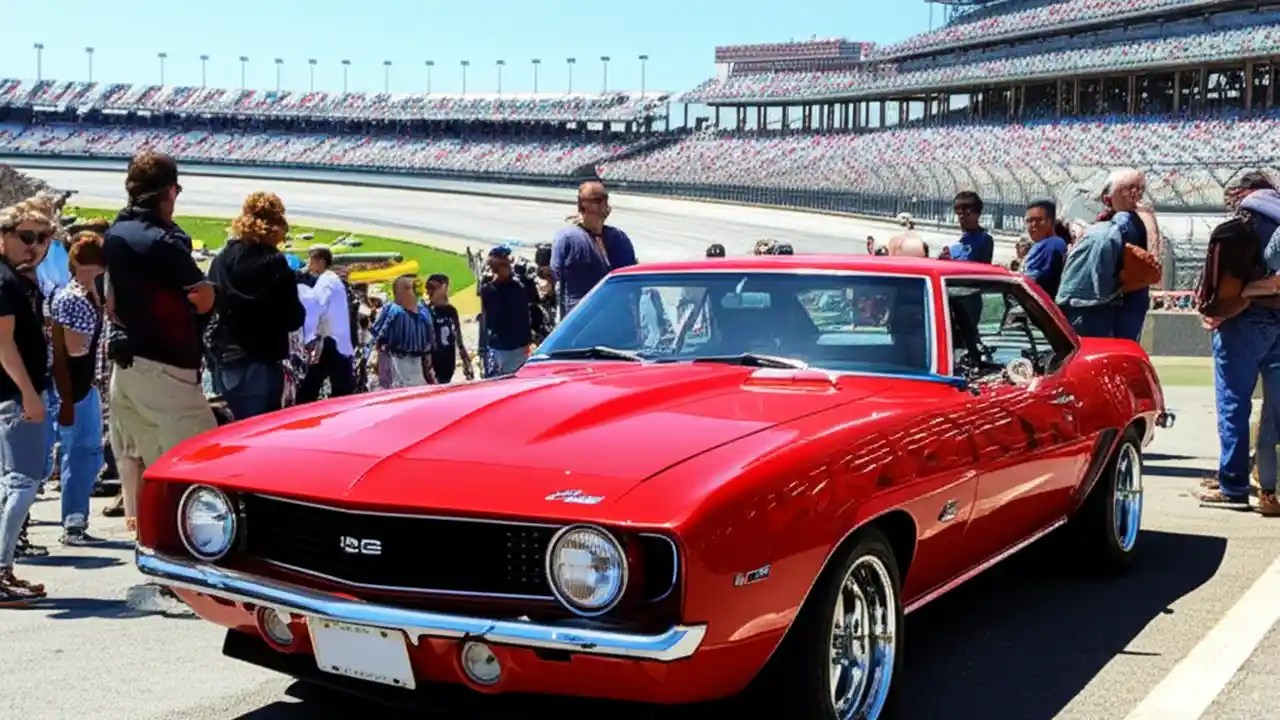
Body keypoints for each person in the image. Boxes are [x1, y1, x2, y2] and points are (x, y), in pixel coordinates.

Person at [103, 151, 217, 536]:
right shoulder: (163, 242)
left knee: (140, 464)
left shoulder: (116, 233)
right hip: (165, 368)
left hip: (127, 365)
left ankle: (149, 541)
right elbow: (202, 295)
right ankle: (182, 550)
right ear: (171, 191)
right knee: (197, 459)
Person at [205, 192, 306, 421]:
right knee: (259, 432)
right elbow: (293, 318)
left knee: (231, 431)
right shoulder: (275, 262)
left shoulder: (221, 259)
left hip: (225, 359)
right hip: (260, 361)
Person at [0, 199, 54, 604]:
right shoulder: (5, 282)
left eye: (45, 238)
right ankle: (1, 570)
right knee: (23, 483)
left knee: (14, 483)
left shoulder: (20, 280)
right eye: (27, 237)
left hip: (19, 395)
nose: (35, 246)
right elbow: (3, 345)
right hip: (16, 397)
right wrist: (28, 393)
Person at [49, 231, 108, 545]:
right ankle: (73, 521)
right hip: (75, 386)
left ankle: (76, 518)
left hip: (87, 383)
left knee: (88, 452)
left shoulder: (86, 295)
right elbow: (73, 350)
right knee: (80, 453)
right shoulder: (73, 298)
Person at [550, 180, 637, 319]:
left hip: (614, 317)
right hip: (584, 318)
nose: (602, 205)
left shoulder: (619, 238)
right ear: (582, 204)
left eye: (604, 199)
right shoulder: (568, 238)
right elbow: (557, 273)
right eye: (597, 200)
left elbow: (632, 276)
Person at [295, 247, 357, 402]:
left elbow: (317, 305)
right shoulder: (332, 280)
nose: (308, 264)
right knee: (327, 382)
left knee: (314, 386)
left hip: (330, 340)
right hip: (334, 340)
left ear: (320, 261)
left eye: (311, 260)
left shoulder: (326, 280)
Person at [1055, 213, 1127, 338]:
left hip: (1076, 303)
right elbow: (1101, 280)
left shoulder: (1094, 235)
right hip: (1088, 306)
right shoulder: (1108, 235)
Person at [370, 275, 435, 389]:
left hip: (418, 363)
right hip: (397, 361)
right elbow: (377, 337)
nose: (414, 292)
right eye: (408, 288)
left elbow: (430, 340)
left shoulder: (424, 312)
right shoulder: (393, 311)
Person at [481, 247, 535, 377]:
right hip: (501, 347)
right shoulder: (490, 290)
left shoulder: (520, 285)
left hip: (520, 346)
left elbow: (532, 301)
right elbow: (490, 321)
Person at [426, 274, 473, 384]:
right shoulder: (427, 312)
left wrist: (466, 362)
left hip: (448, 364)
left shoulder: (451, 311)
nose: (429, 291)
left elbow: (458, 338)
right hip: (434, 367)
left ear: (444, 287)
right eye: (428, 288)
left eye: (433, 288)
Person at [1022, 200, 1069, 299]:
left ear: (1051, 221)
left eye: (1039, 220)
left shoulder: (1051, 245)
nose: (1033, 225)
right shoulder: (1044, 244)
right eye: (1029, 221)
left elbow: (1034, 282)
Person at [945, 191, 995, 263]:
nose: (962, 217)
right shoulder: (959, 239)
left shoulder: (984, 239)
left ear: (977, 214)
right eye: (959, 214)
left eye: (967, 214)